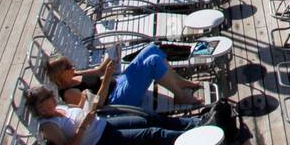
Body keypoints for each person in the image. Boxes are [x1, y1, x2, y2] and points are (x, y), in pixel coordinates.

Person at [25, 86, 189, 145]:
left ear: (51, 98)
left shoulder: (60, 107)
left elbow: (81, 110)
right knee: (152, 133)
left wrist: (88, 99)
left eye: (45, 100)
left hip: (104, 124)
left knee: (149, 118)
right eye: (39, 106)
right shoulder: (48, 126)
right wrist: (83, 126)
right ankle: (193, 140)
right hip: (101, 142)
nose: (44, 107)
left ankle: (196, 122)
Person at [46, 49, 203, 108]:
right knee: (153, 61)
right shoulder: (69, 94)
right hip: (117, 100)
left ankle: (180, 82)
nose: (72, 66)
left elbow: (100, 71)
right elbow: (96, 106)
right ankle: (181, 96)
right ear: (59, 75)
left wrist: (112, 54)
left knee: (151, 49)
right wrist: (107, 78)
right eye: (67, 66)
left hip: (118, 83)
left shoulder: (74, 74)